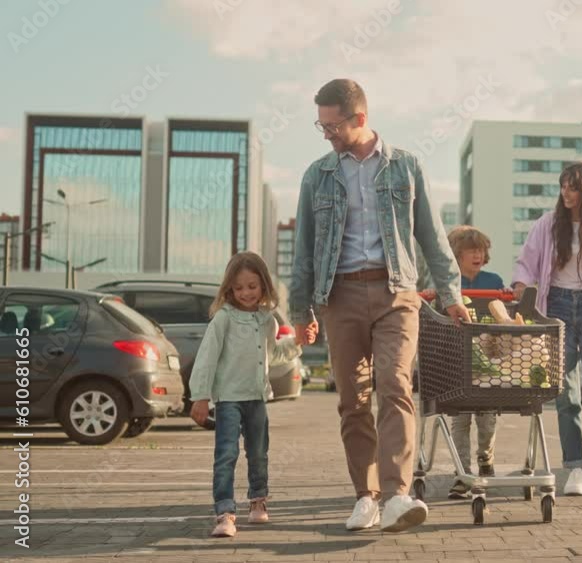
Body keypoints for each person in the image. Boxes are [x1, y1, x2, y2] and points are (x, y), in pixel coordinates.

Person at [289, 78, 470, 533]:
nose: (326, 134)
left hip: (397, 294)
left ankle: (396, 495)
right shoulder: (317, 175)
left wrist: (451, 295)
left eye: (332, 125)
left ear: (360, 118)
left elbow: (432, 237)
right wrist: (300, 312)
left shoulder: (406, 166)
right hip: (340, 296)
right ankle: (365, 497)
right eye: (321, 125)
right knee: (353, 400)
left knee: (395, 384)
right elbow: (304, 250)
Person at [511, 161, 582, 497]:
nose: (566, 193)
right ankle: (574, 467)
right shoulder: (547, 224)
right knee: (565, 395)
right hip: (557, 307)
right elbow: (527, 260)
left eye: (573, 187)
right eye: (563, 186)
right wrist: (520, 284)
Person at [188, 251, 307, 538]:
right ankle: (225, 513)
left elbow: (273, 355)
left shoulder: (267, 320)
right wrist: (200, 396)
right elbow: (206, 358)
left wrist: (298, 341)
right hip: (228, 399)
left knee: (258, 453)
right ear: (229, 288)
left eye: (252, 286)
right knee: (226, 455)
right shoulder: (223, 319)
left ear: (263, 285)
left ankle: (258, 500)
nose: (246, 293)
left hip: (256, 398)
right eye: (239, 287)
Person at [445, 226, 503, 499]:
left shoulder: (494, 282)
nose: (477, 254)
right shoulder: (447, 283)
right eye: (471, 250)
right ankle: (462, 473)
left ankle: (485, 457)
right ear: (457, 255)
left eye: (480, 250)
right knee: (460, 420)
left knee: (487, 417)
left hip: (488, 362)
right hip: (456, 362)